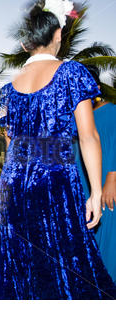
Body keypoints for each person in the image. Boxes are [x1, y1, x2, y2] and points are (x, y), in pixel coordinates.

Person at [0, 2, 116, 299]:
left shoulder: (5, 90)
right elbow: (89, 137)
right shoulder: (72, 73)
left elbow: (9, 141)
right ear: (58, 35)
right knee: (65, 255)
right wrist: (95, 192)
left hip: (13, 180)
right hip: (54, 176)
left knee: (18, 254)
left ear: (23, 43)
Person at [74, 65, 116, 283]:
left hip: (108, 186)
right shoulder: (76, 119)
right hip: (81, 186)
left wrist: (113, 176)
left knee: (109, 243)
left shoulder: (112, 112)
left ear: (96, 88)